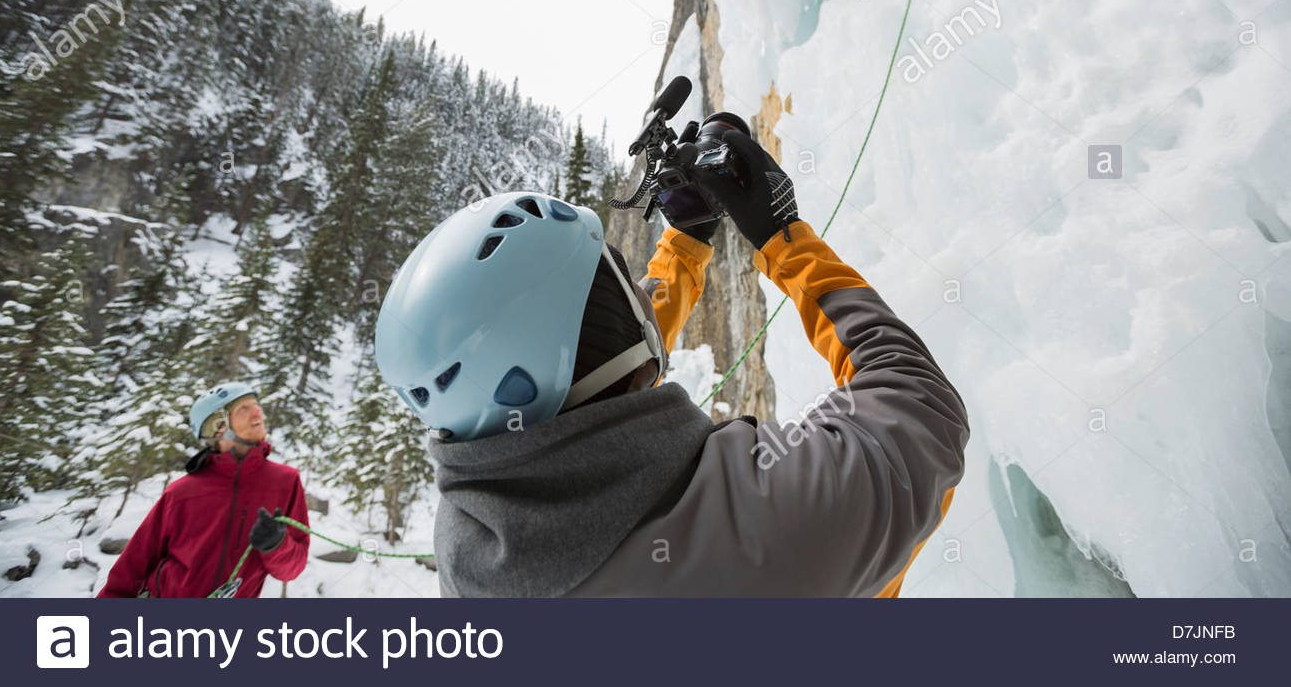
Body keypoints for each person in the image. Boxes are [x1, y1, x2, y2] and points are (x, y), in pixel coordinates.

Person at [375, 125, 969, 597]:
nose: (639, 287)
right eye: (616, 277)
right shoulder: (767, 530)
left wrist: (686, 241)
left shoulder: (473, 549)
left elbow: (594, 377)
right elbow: (919, 406)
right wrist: (780, 235)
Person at [96, 382, 309, 598]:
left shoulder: (285, 481)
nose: (258, 411)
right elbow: (132, 566)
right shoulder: (181, 492)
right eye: (243, 408)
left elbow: (292, 569)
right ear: (217, 427)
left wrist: (276, 545)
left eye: (256, 405)